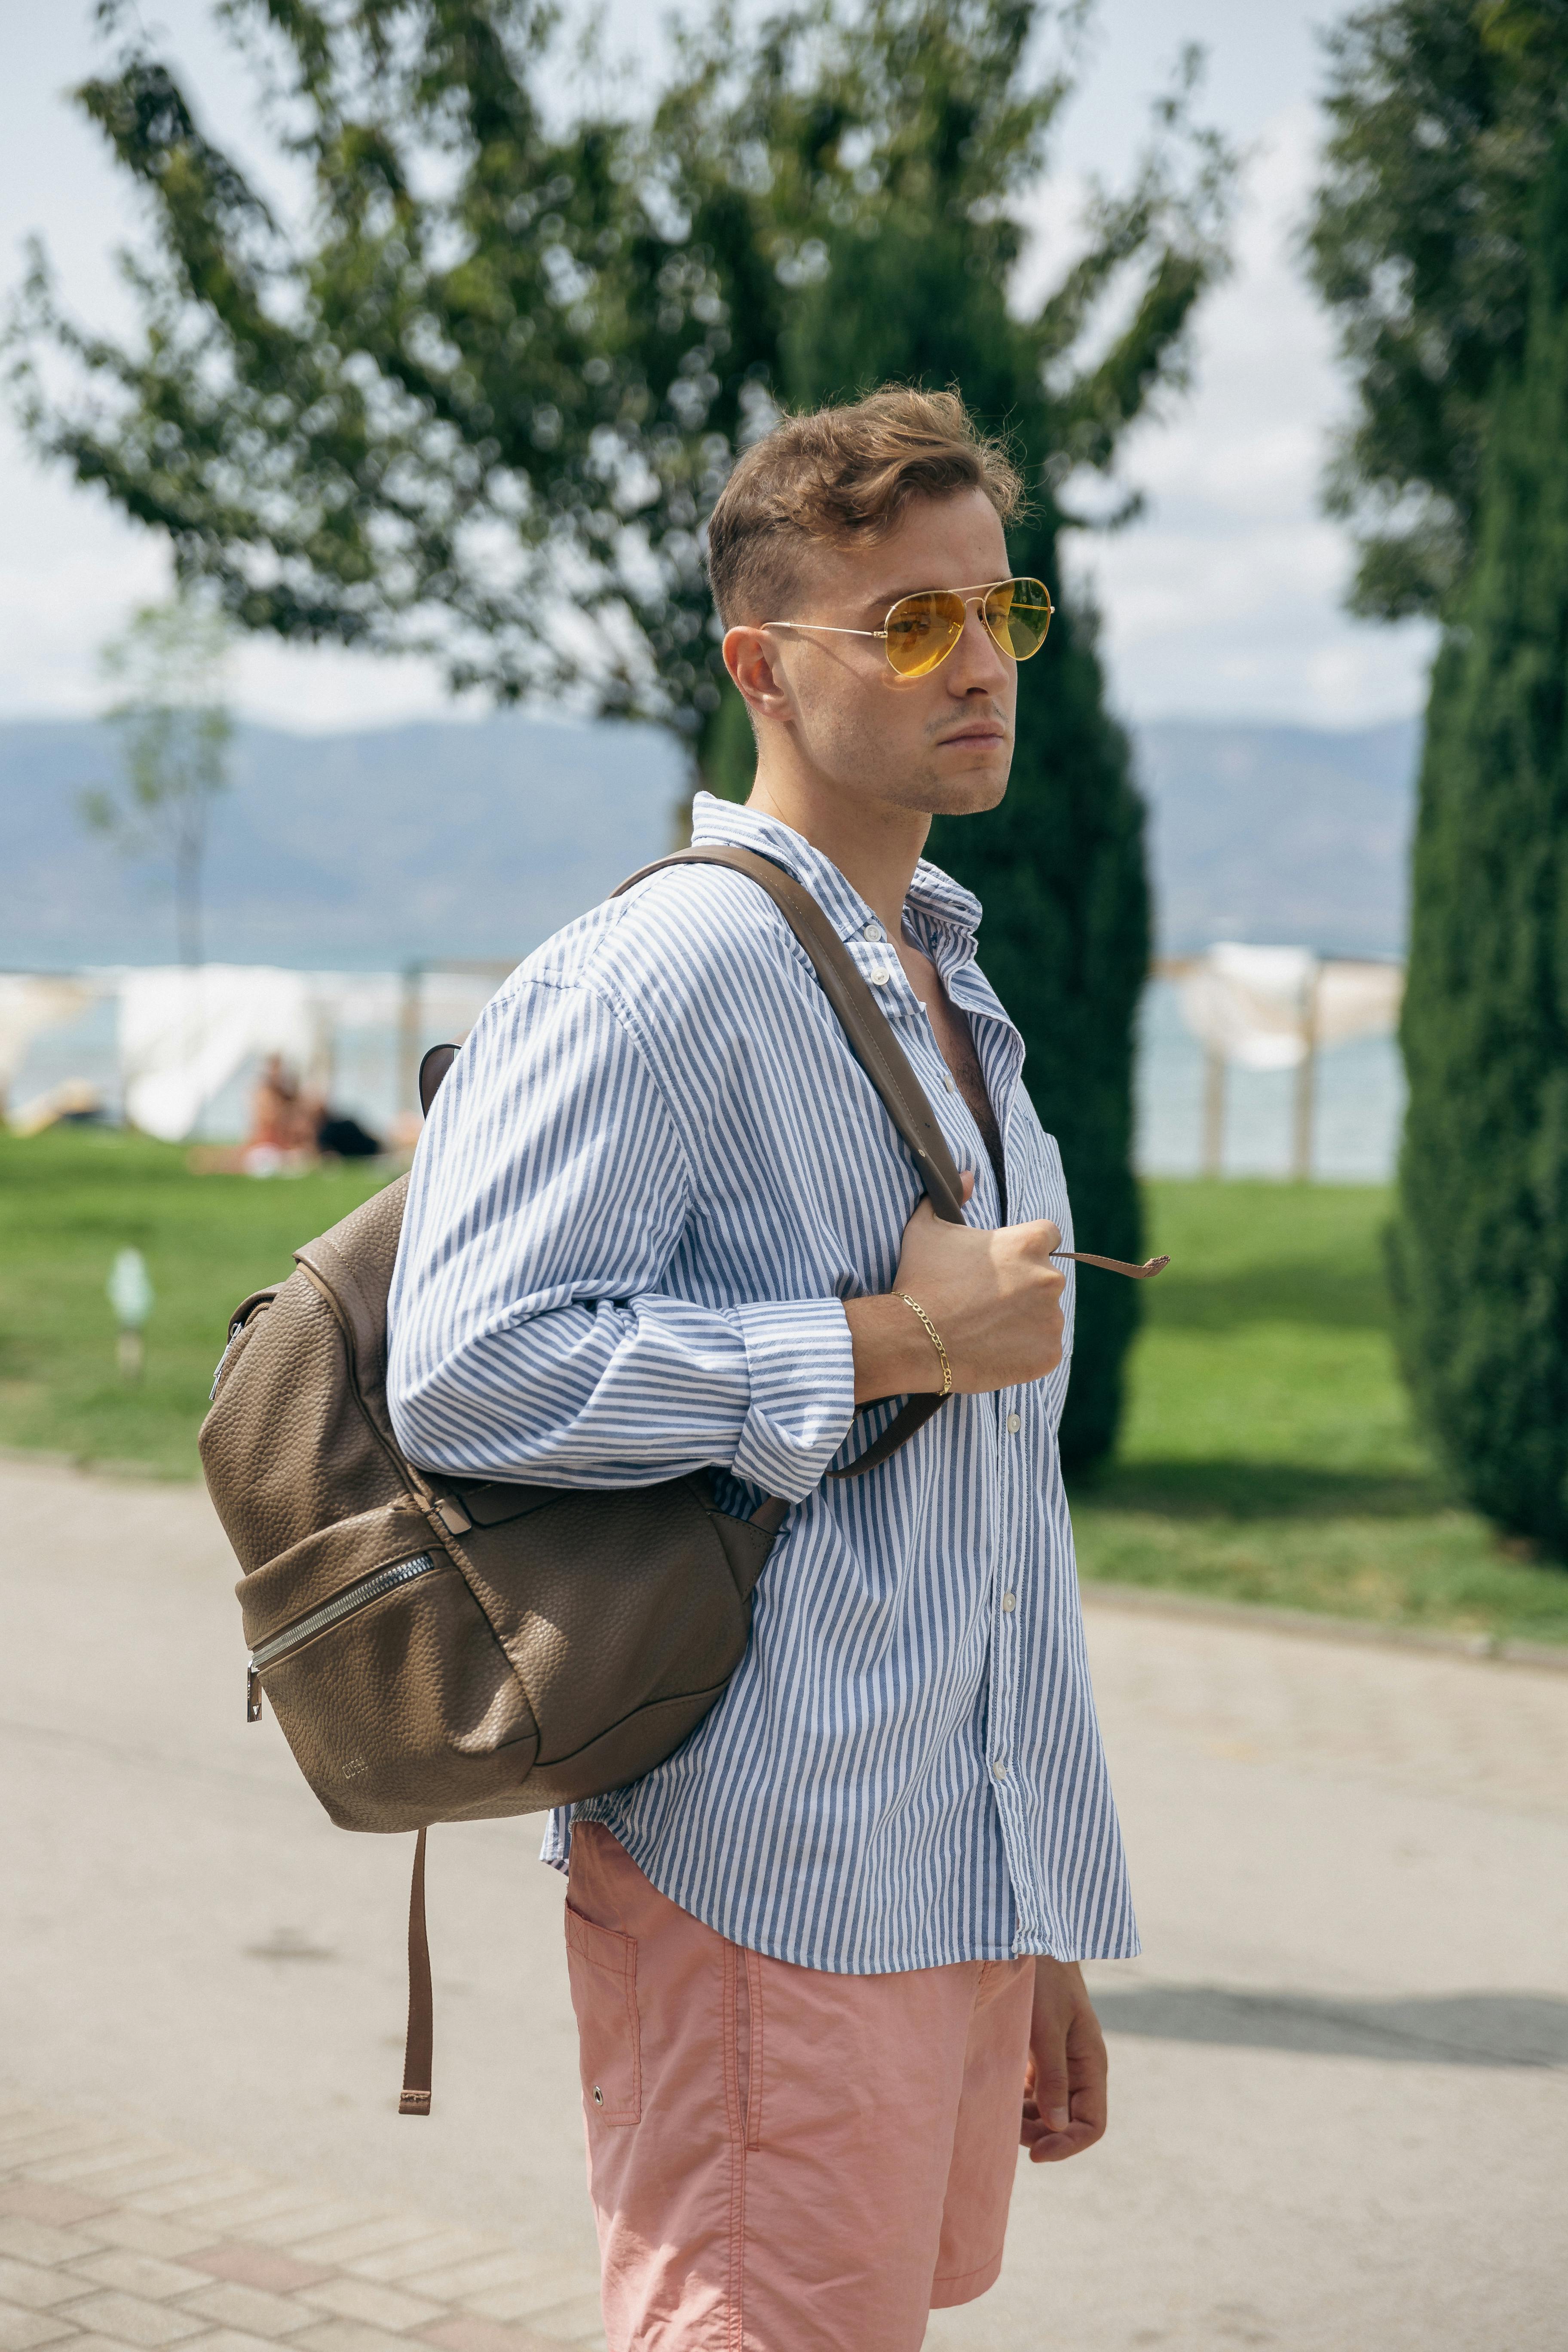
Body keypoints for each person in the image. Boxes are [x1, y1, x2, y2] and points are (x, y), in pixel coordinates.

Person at [386, 387, 1138, 2352]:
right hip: (763, 1866)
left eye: (1002, 611)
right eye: (910, 623)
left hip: (934, 1870)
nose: (979, 664)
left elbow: (990, 1500)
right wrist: (892, 1340)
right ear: (761, 670)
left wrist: (1035, 1910)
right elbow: (465, 1371)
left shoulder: (947, 977)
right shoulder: (664, 974)